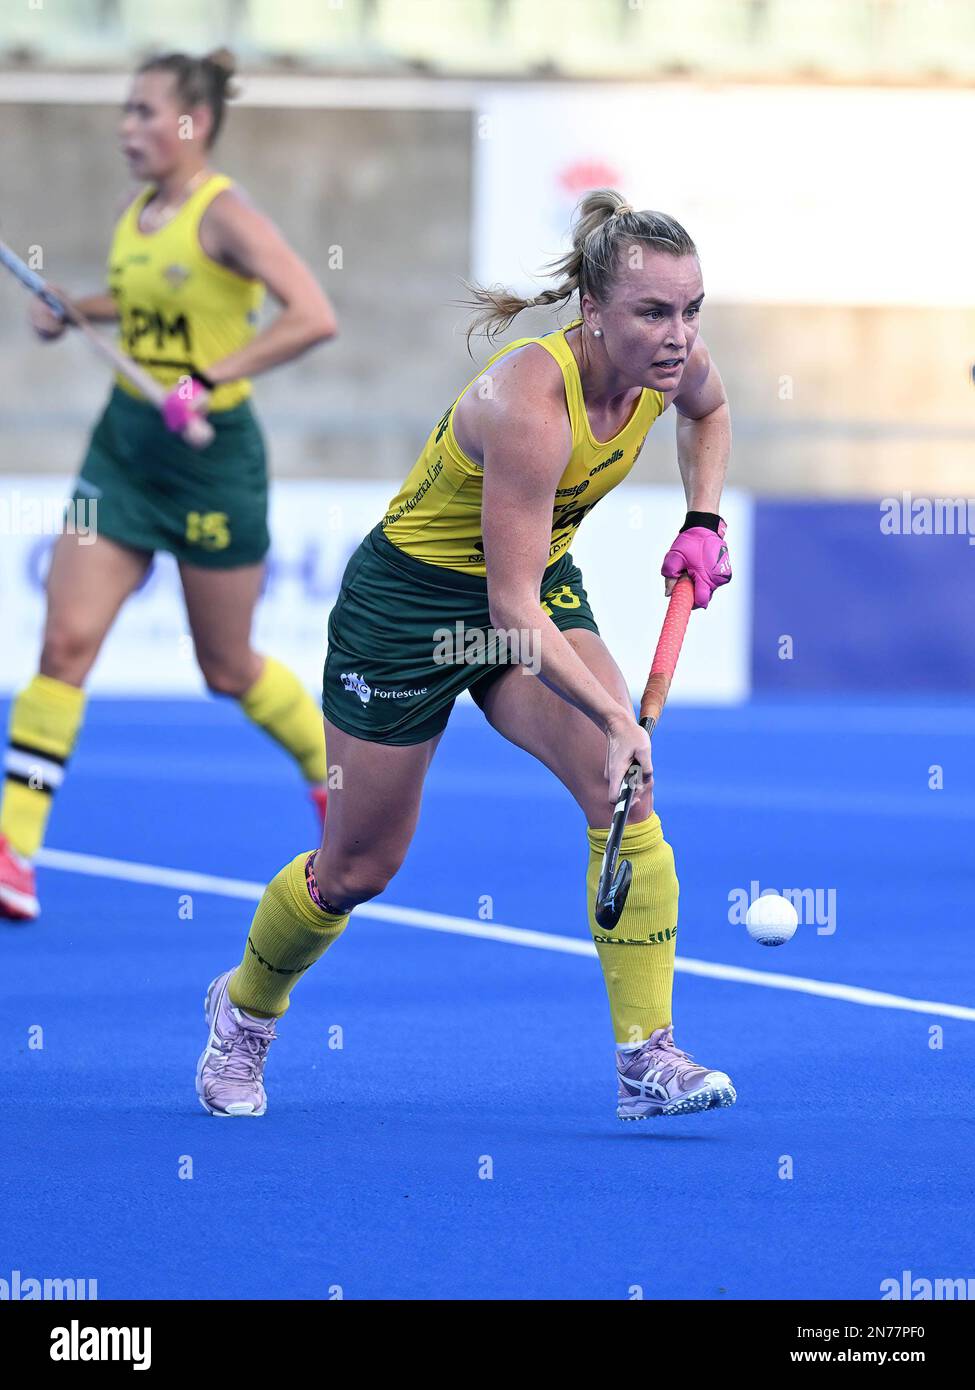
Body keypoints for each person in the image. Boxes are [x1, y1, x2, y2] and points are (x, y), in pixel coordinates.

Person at [196, 189, 734, 1122]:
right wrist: (615, 714)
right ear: (592, 312)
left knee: (625, 791)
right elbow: (509, 611)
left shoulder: (668, 366)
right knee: (358, 868)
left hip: (527, 584)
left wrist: (701, 518)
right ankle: (245, 1007)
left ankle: (644, 1059)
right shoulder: (530, 403)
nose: (677, 334)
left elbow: (711, 411)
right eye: (652, 311)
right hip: (410, 610)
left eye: (690, 310)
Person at [0, 50, 338, 921]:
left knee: (227, 669)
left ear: (195, 123)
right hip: (123, 450)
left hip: (213, 461)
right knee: (65, 646)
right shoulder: (134, 213)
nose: (128, 128)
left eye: (146, 112)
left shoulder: (227, 216)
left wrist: (207, 379)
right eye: (126, 111)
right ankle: (15, 848)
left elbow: (312, 316)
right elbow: (137, 298)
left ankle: (328, 778)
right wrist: (73, 308)